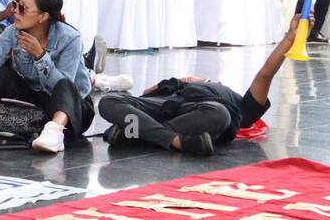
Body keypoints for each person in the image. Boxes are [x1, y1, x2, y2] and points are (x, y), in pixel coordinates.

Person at [98, 16, 296, 157]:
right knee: (109, 101)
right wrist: (175, 82)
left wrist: (289, 39)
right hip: (163, 106)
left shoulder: (236, 104)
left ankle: (134, 135)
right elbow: (143, 95)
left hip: (200, 116)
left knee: (219, 114)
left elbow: (265, 75)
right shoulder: (182, 86)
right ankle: (165, 139)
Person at [0, 0, 93, 154]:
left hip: (71, 108)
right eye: (15, 5)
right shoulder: (12, 32)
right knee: (3, 74)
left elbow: (63, 88)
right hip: (36, 100)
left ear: (42, 16)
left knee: (65, 83)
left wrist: (40, 56)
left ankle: (54, 131)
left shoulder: (70, 38)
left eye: (23, 8)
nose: (15, 12)